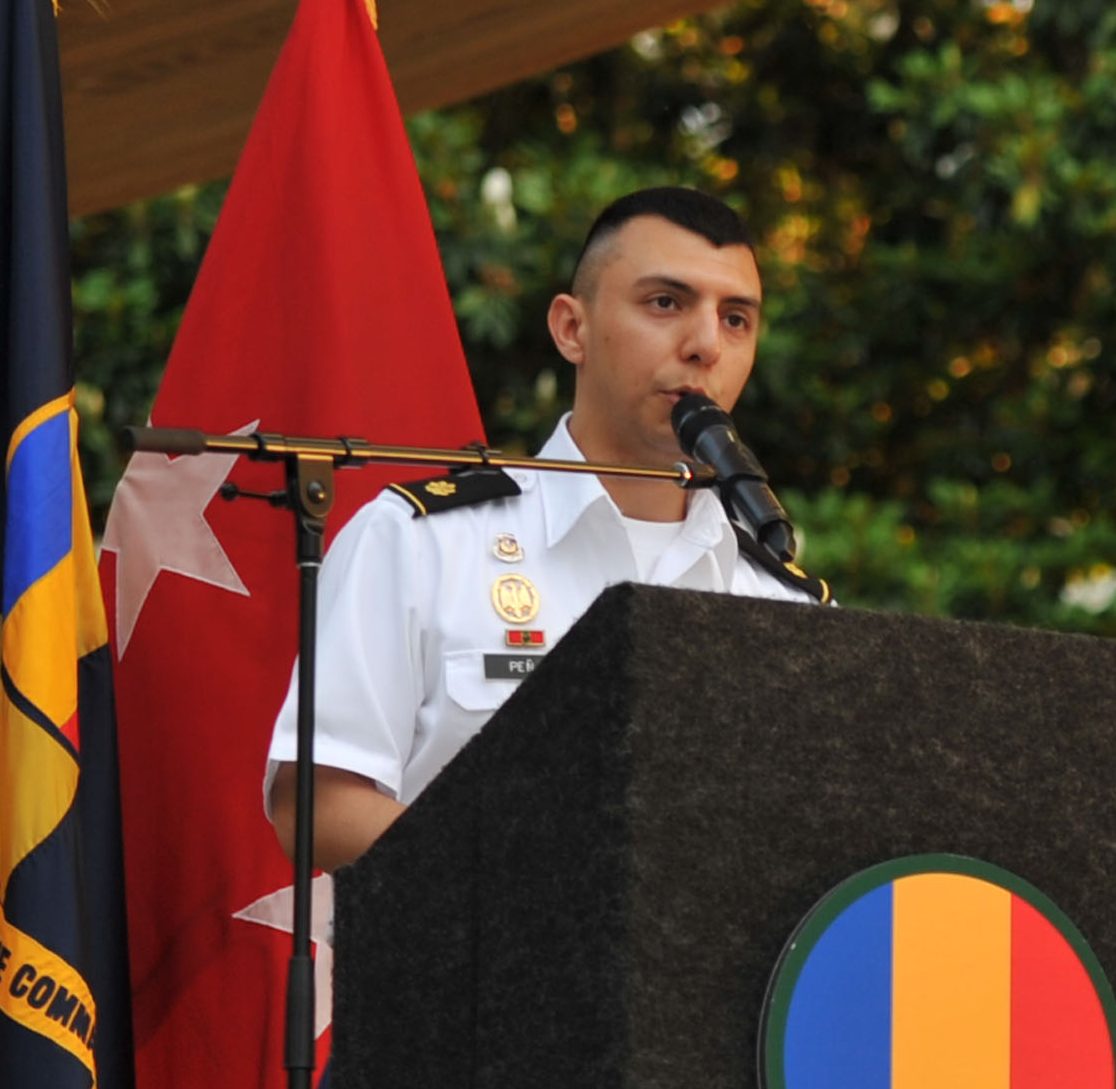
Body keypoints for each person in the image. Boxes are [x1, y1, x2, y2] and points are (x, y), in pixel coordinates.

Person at [272, 185, 815, 871]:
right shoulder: (422, 540)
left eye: (736, 319)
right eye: (666, 303)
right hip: (470, 969)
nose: (706, 344)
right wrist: (544, 884)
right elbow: (316, 804)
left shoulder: (782, 600)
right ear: (571, 329)